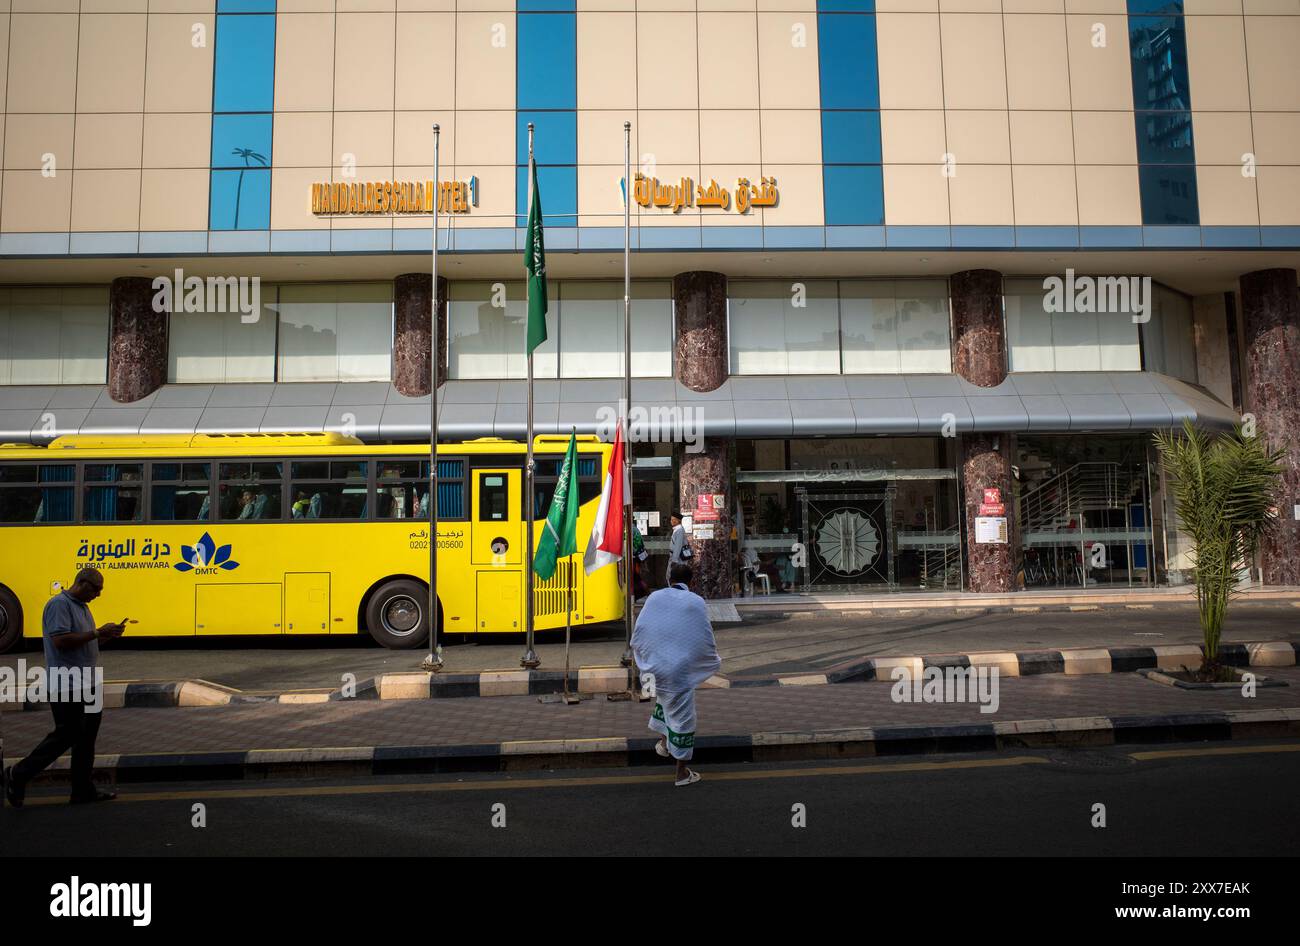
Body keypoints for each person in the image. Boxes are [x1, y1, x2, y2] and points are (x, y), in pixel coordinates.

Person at [4, 567, 124, 808]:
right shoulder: (59, 604)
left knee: (86, 740)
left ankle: (82, 790)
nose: (98, 595)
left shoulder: (82, 607)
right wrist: (96, 632)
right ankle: (18, 774)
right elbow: (61, 641)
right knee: (66, 735)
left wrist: (106, 635)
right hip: (66, 683)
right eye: (96, 589)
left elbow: (85, 641)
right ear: (81, 583)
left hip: (89, 682)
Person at [631, 563, 720, 787]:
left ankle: (663, 744)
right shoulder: (696, 602)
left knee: (664, 700)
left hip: (654, 668)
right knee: (683, 719)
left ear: (669, 578)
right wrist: (710, 660)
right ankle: (681, 773)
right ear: (691, 581)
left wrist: (648, 657)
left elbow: (642, 630)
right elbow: (703, 637)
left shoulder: (654, 598)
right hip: (677, 671)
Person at [666, 510, 691, 586]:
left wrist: (674, 560)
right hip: (676, 558)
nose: (672, 521)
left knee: (670, 577)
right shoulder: (677, 530)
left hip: (678, 559)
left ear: (678, 521)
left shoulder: (679, 530)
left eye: (674, 520)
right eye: (671, 519)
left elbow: (678, 546)